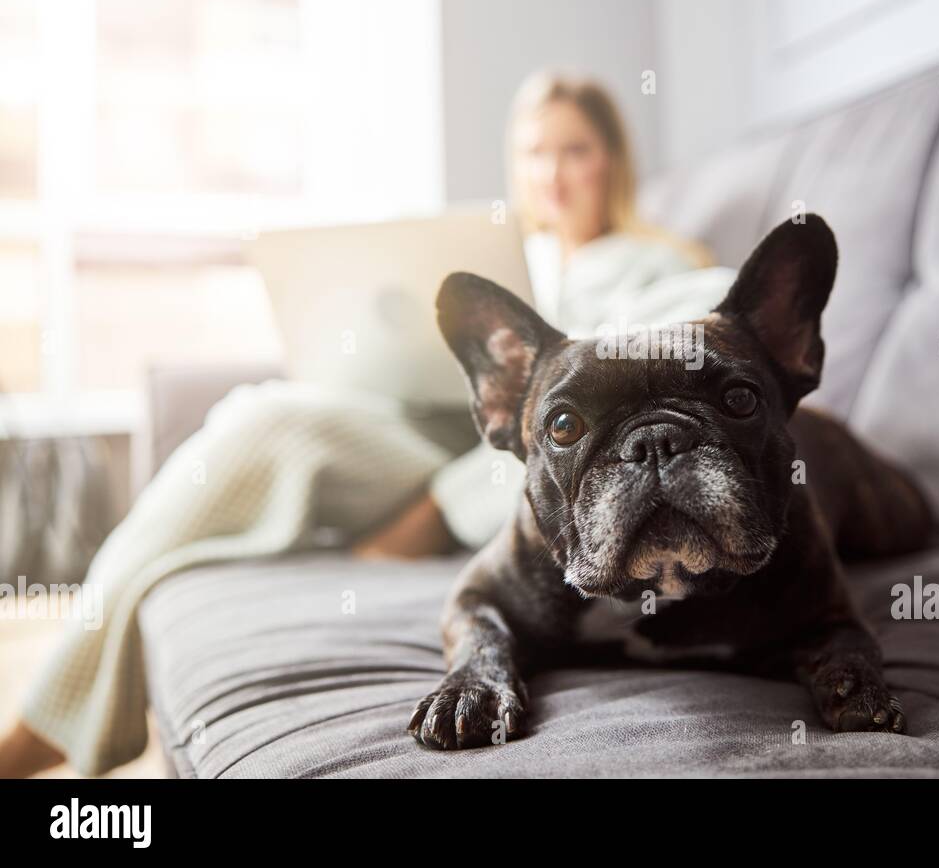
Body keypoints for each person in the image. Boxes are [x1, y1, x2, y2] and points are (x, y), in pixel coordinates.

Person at [0, 70, 735, 778]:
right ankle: (66, 683)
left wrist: (440, 507)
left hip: (487, 467)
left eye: (576, 149)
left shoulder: (657, 265)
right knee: (258, 415)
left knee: (272, 438)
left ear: (614, 159)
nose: (554, 172)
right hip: (425, 429)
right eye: (535, 152)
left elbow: (637, 402)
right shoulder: (515, 260)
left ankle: (39, 728)